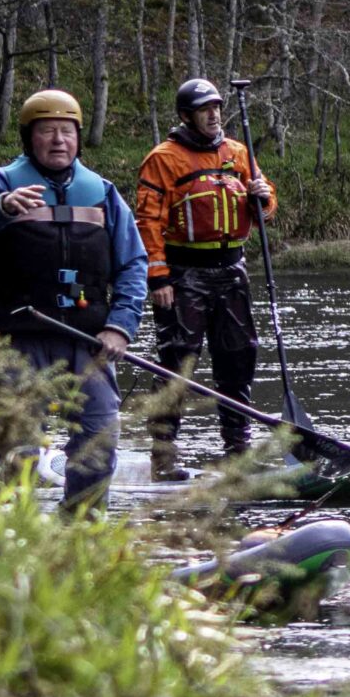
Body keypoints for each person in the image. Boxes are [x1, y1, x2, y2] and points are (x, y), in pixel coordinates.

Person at [0, 89, 148, 509]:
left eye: (67, 131)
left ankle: (81, 533)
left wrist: (121, 326)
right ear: (28, 137)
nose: (58, 140)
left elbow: (134, 265)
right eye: (47, 131)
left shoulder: (103, 193)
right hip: (18, 339)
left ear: (78, 138)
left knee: (98, 442)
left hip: (88, 339)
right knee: (19, 449)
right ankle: (1, 532)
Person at [134, 77, 277, 481]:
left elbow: (266, 208)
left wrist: (262, 196)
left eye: (216, 108)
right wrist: (158, 276)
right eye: (204, 110)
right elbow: (148, 221)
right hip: (183, 273)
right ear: (186, 116)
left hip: (231, 269)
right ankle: (163, 458)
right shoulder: (164, 159)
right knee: (177, 363)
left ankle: (237, 453)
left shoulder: (237, 151)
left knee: (238, 358)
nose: (214, 115)